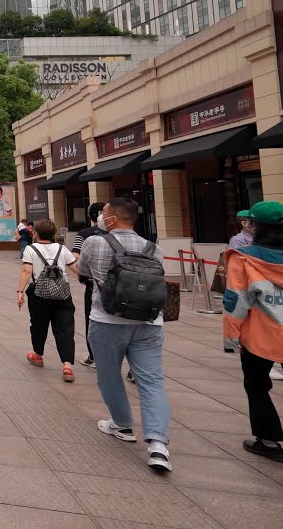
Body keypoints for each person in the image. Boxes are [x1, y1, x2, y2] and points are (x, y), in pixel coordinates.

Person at [77, 197, 172, 473]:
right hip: (149, 323)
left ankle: (122, 424)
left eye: (103, 214)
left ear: (113, 219)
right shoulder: (154, 248)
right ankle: (158, 446)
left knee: (108, 376)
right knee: (152, 382)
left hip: (107, 320)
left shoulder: (95, 242)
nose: (100, 218)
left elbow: (83, 272)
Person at [221, 201, 283, 462]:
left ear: (255, 225)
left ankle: (269, 441)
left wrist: (231, 334)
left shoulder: (245, 258)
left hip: (261, 334)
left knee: (257, 385)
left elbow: (236, 301)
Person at [18, 218, 78, 382]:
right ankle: (67, 365)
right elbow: (75, 268)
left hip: (39, 294)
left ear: (35, 233)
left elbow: (26, 271)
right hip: (62, 294)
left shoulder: (30, 249)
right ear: (53, 234)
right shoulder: (62, 248)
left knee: (38, 325)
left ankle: (38, 355)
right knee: (65, 328)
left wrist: (19, 291)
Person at [72, 203, 107, 368]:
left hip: (95, 286)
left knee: (92, 320)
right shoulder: (123, 235)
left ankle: (93, 356)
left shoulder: (85, 235)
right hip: (127, 287)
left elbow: (75, 258)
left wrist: (81, 273)